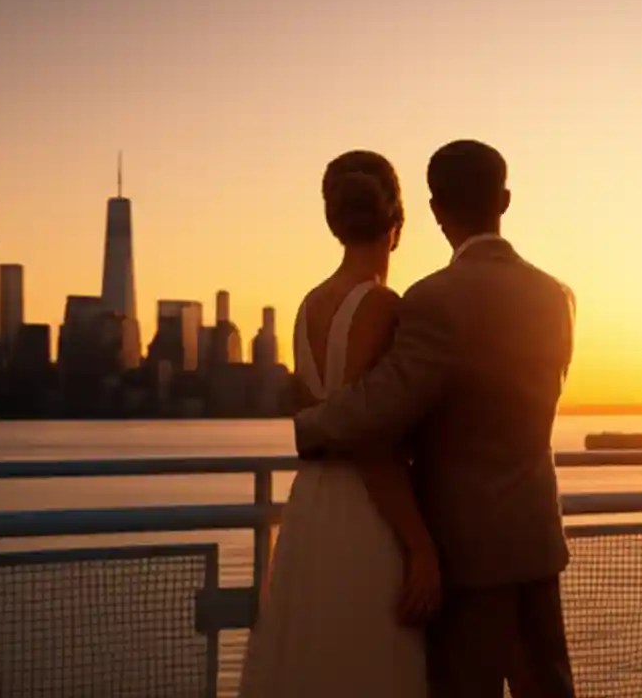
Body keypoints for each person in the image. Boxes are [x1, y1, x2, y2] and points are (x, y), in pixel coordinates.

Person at [293, 140, 577, 697]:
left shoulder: (434, 300)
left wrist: (309, 425)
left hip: (466, 552)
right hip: (536, 536)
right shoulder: (556, 296)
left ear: (436, 209)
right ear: (505, 199)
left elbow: (381, 402)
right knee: (547, 686)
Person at [238, 150, 439, 698]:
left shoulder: (307, 305)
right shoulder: (380, 304)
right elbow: (369, 439)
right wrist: (420, 547)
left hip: (311, 509)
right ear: (397, 226)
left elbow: (315, 422)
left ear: (333, 223)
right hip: (366, 516)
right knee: (372, 664)